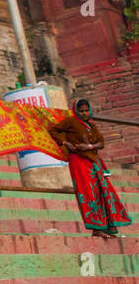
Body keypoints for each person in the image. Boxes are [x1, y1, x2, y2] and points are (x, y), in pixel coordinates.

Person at [50, 98, 133, 239]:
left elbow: (101, 142)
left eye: (87, 110)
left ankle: (108, 227)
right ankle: (96, 229)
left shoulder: (92, 126)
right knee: (88, 193)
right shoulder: (70, 121)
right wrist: (65, 143)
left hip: (93, 162)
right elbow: (53, 130)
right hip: (78, 161)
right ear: (76, 111)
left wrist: (89, 146)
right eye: (81, 111)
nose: (84, 113)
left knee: (103, 191)